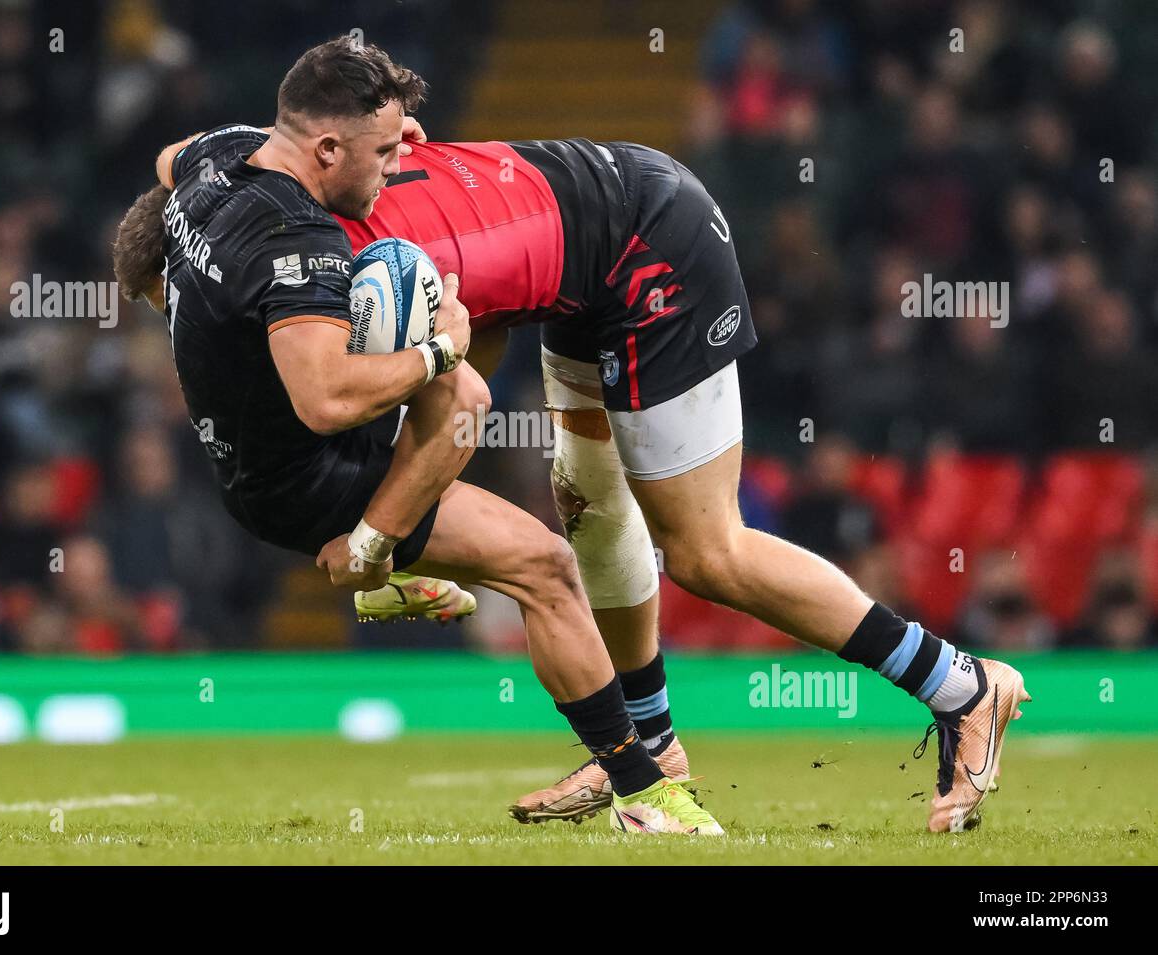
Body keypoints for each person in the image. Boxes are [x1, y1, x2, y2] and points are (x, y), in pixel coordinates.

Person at [119, 38, 1031, 834]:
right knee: (589, 513)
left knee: (705, 551)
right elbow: (174, 164)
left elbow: (455, 403)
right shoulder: (242, 171)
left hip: (649, 239)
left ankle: (961, 685)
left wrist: (376, 550)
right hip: (570, 265)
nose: (403, 158)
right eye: (391, 148)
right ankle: (652, 756)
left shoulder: (352, 269)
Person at [141, 37, 717, 835]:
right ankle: (644, 792)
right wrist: (438, 345)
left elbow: (169, 159)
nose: (397, 167)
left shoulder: (216, 160)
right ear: (328, 147)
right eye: (382, 152)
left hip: (245, 455)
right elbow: (325, 400)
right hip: (305, 477)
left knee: (451, 394)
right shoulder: (293, 240)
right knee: (535, 544)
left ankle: (385, 565)